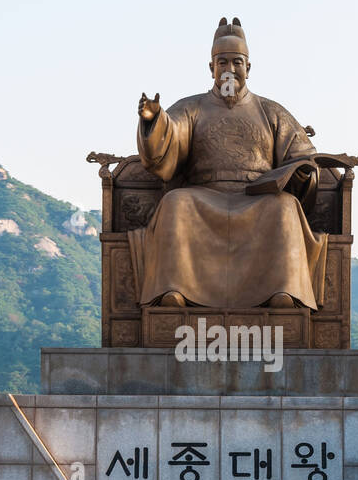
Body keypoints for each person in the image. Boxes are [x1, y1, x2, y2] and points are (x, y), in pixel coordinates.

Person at [129, 17, 327, 310]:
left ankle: (283, 291)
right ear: (211, 68)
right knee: (175, 203)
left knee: (285, 207)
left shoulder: (271, 111)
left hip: (258, 197)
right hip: (204, 194)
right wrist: (153, 120)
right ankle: (174, 290)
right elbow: (169, 140)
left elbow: (302, 154)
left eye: (237, 62)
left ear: (248, 67)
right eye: (222, 62)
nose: (230, 70)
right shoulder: (191, 107)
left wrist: (301, 172)